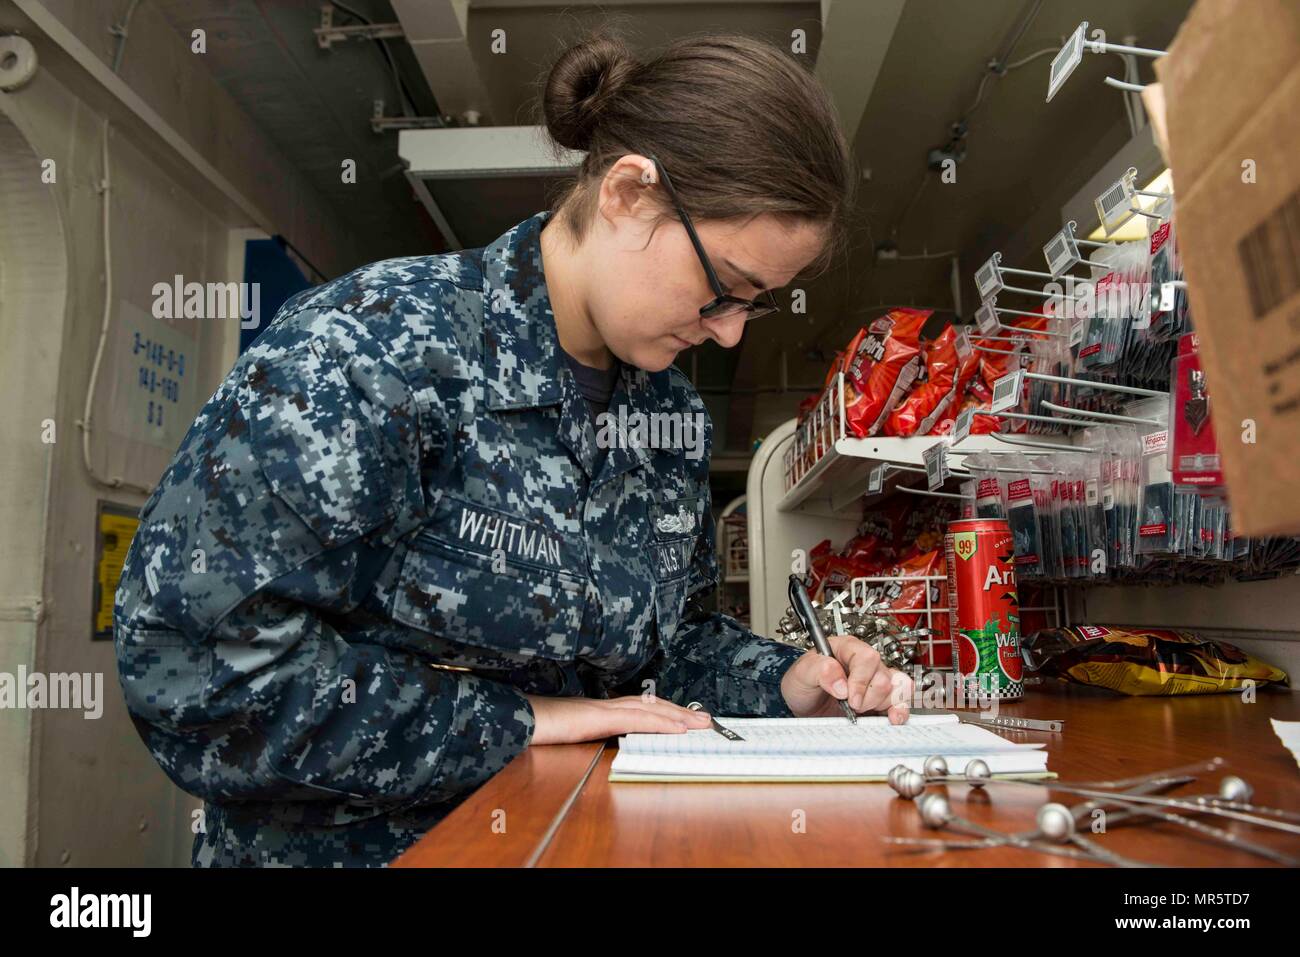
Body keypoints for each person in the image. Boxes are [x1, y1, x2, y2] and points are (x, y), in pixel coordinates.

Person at [114, 31, 912, 868]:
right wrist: (519, 721)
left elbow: (663, 651)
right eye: (724, 288)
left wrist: (784, 682)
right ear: (628, 192)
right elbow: (192, 666)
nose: (730, 331)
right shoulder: (374, 347)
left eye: (757, 303)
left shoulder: (667, 413)